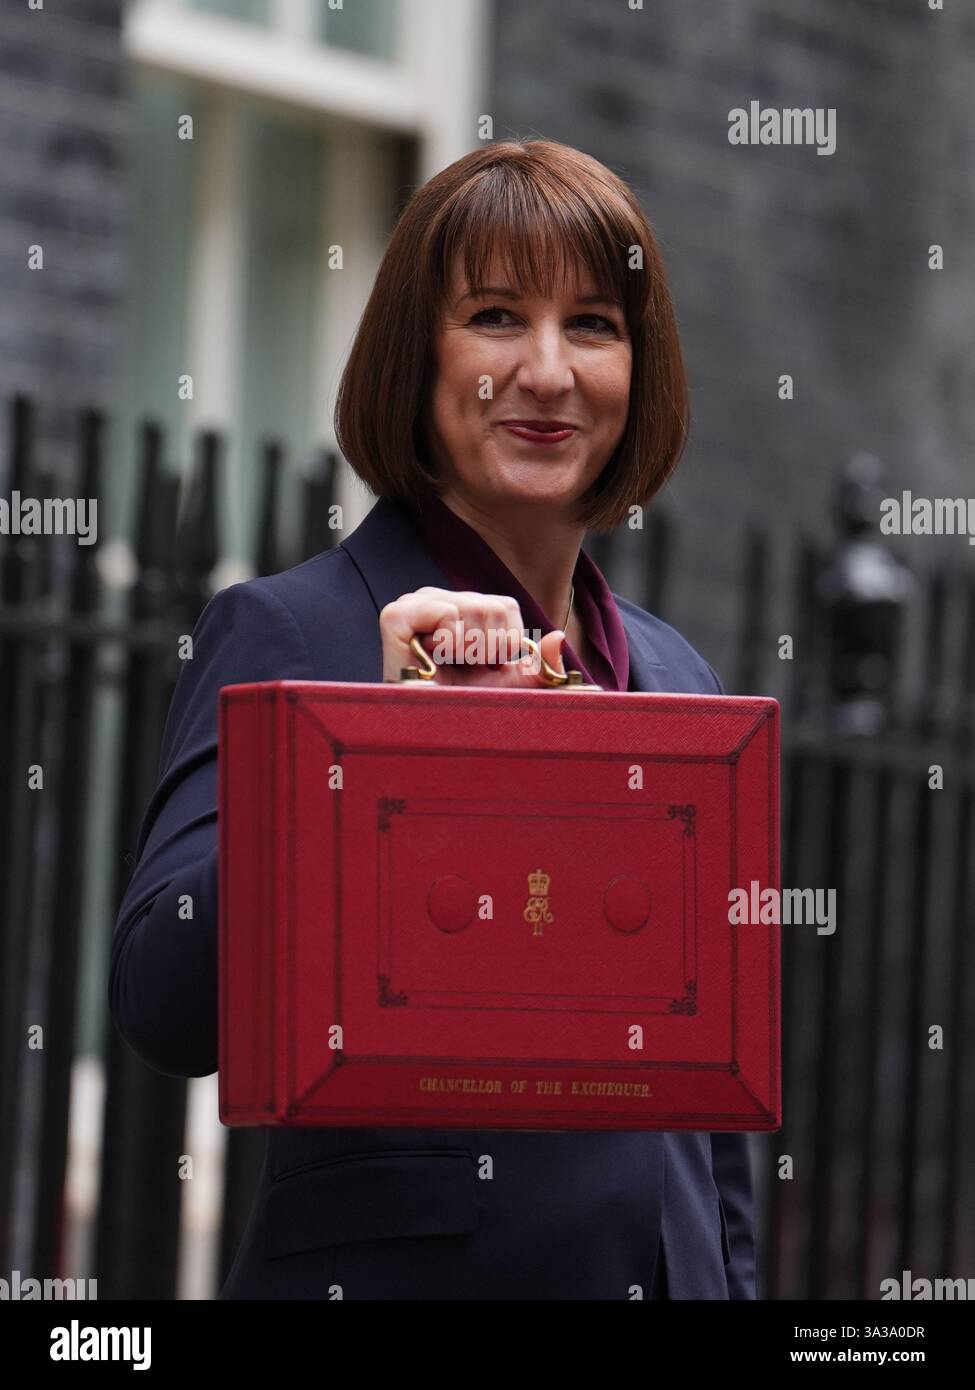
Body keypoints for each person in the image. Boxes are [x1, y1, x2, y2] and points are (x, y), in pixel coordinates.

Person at [109, 138, 756, 1301]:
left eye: (596, 324)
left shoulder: (681, 676)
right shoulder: (294, 630)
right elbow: (164, 1003)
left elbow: (712, 1123)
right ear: (419, 357)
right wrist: (375, 745)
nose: (549, 372)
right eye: (497, 316)